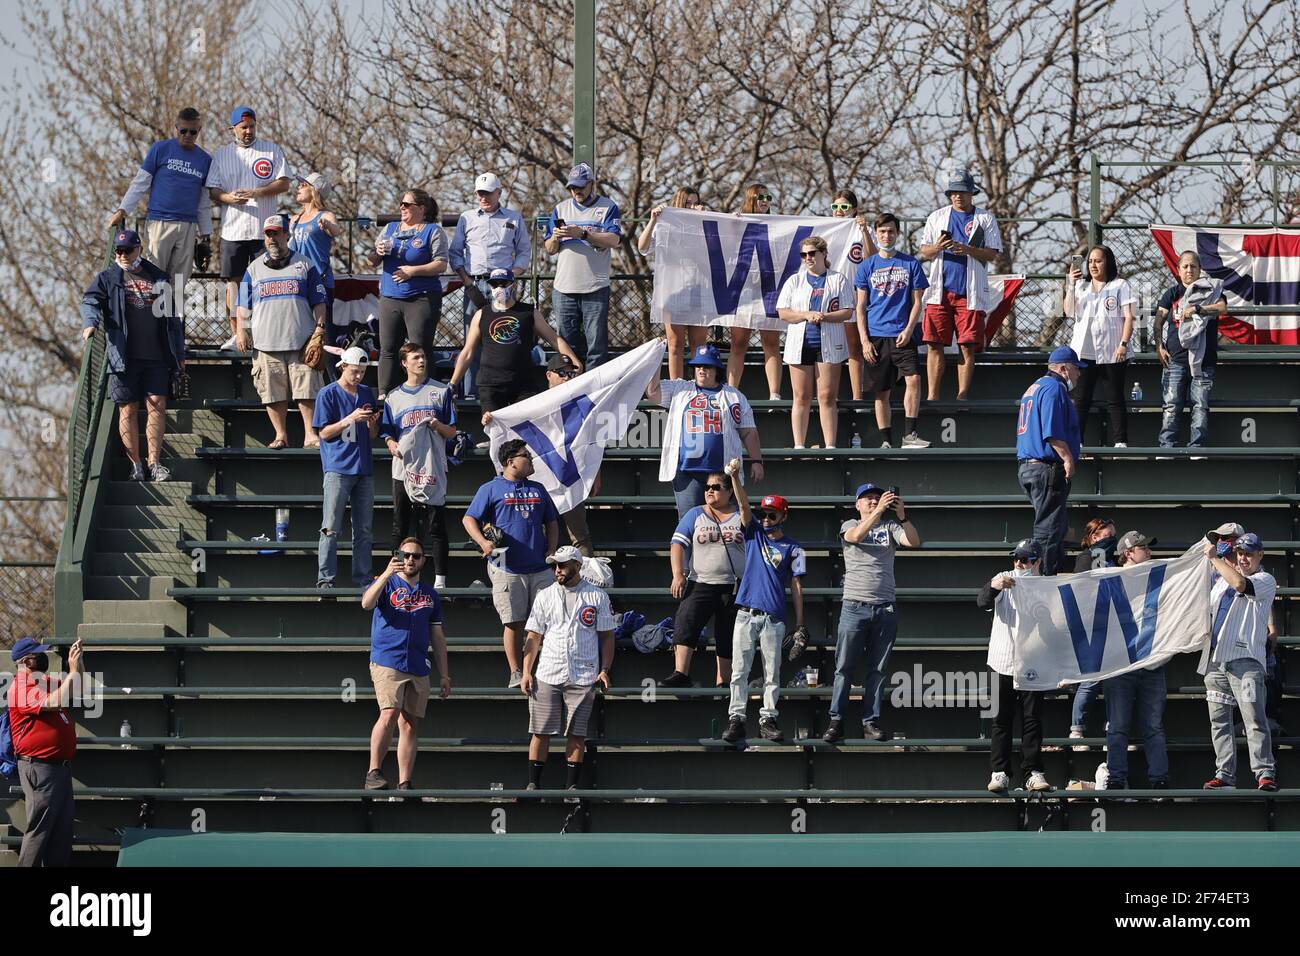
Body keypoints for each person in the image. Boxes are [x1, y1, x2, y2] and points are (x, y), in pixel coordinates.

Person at [80, 228, 185, 481]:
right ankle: (136, 465)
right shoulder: (108, 277)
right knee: (127, 410)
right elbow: (90, 300)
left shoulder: (158, 277)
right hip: (123, 357)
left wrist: (179, 353)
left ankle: (155, 463)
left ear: (139, 248)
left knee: (157, 406)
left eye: (128, 250)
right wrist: (90, 323)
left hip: (157, 356)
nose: (123, 255)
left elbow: (173, 319)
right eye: (119, 250)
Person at [824, 482, 921, 743]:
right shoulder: (849, 524)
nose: (872, 501)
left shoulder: (890, 527)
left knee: (877, 670)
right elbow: (854, 537)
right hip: (855, 605)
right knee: (843, 667)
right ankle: (836, 720)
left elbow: (913, 542)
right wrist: (878, 511)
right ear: (857, 504)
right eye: (866, 498)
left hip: (885, 607)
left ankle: (870, 722)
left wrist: (902, 516)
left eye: (876, 497)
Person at [720, 458, 806, 744]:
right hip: (745, 613)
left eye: (772, 514)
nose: (766, 519)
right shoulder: (754, 533)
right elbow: (743, 507)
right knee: (739, 671)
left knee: (772, 672)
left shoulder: (794, 547)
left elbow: (796, 585)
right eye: (764, 514)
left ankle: (768, 718)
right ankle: (737, 718)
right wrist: (734, 477)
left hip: (774, 616)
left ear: (783, 517)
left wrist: (800, 623)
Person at [464, 439, 561, 687]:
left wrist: (551, 548)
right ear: (510, 462)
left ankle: (541, 670)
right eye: (525, 455)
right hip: (505, 565)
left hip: (539, 566)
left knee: (545, 622)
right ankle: (516, 671)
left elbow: (551, 521)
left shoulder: (538, 488)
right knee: (514, 622)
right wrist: (484, 544)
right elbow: (469, 519)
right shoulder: (490, 488)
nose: (530, 459)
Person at [520, 546, 615, 791]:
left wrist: (605, 668)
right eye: (554, 566)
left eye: (562, 565)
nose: (557, 570)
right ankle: (533, 784)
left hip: (584, 672)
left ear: (577, 565)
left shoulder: (598, 596)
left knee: (577, 732)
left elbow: (606, 636)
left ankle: (571, 787)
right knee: (540, 730)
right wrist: (527, 671)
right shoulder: (545, 595)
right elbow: (533, 636)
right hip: (548, 670)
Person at [360, 539, 451, 791]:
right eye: (406, 554)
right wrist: (388, 572)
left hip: (418, 662)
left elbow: (438, 636)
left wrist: (445, 674)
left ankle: (404, 782)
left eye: (416, 556)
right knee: (389, 712)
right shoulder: (386, 582)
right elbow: (366, 603)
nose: (410, 559)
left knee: (410, 722)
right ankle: (373, 771)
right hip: (388, 658)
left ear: (423, 560)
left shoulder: (430, 594)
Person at [236, 214, 328, 449]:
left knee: (307, 389)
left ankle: (310, 435)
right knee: (272, 393)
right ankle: (280, 435)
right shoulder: (253, 269)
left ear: (287, 235)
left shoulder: (305, 264)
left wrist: (319, 329)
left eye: (276, 233)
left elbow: (318, 301)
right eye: (268, 234)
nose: (272, 238)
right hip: (266, 342)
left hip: (301, 340)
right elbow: (242, 305)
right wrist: (241, 331)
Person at [646, 343, 763, 519]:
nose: (701, 369)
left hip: (722, 472)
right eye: (698, 366)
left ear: (717, 369)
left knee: (726, 524)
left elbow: (748, 432)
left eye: (707, 366)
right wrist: (655, 358)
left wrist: (757, 461)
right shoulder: (680, 388)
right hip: (687, 472)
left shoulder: (734, 396)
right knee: (689, 523)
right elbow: (652, 392)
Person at [206, 105, 291, 344]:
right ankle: (237, 332)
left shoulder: (271, 150)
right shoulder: (222, 154)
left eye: (252, 126)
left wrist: (257, 192)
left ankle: (265, 331)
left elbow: (284, 183)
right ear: (233, 128)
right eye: (243, 127)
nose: (248, 131)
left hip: (265, 231)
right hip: (233, 230)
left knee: (265, 280)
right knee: (234, 282)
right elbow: (213, 189)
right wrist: (227, 198)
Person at [917, 168, 1003, 401]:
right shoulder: (937, 217)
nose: (958, 196)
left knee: (967, 345)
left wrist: (967, 250)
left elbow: (993, 254)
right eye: (954, 192)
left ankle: (962, 396)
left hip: (970, 292)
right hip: (939, 292)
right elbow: (924, 250)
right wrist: (939, 247)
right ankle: (932, 397)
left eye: (962, 192)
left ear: (971, 193)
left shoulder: (985, 218)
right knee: (934, 343)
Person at [1201, 532, 1278, 790]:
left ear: (1260, 555)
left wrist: (1215, 559)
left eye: (1249, 554)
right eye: (1241, 553)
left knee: (1253, 718)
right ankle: (1225, 775)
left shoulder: (1265, 579)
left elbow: (1240, 586)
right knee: (1219, 721)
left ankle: (1264, 772)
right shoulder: (1221, 581)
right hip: (1216, 660)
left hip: (1246, 661)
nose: (1244, 558)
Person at [449, 269, 582, 416]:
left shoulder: (529, 312)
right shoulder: (481, 314)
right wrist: (453, 384)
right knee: (496, 432)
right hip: (491, 384)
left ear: (513, 285)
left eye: (503, 283)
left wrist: (576, 363)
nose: (499, 287)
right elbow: (468, 352)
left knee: (527, 429)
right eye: (494, 284)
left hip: (522, 384)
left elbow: (554, 339)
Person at [109, 106, 212, 294]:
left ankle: (173, 320)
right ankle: (152, 320)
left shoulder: (205, 160)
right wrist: (122, 210)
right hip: (160, 221)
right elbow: (140, 183)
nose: (188, 135)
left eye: (193, 131)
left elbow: (204, 201)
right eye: (183, 131)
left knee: (179, 280)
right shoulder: (161, 149)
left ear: (199, 130)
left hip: (188, 225)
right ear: (176, 128)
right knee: (154, 275)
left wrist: (206, 235)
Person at [380, 343, 458, 589]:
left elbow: (452, 431)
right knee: (400, 521)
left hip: (433, 463)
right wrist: (391, 444)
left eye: (423, 356)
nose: (421, 361)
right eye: (415, 357)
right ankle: (398, 574)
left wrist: (436, 425)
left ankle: (440, 579)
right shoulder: (393, 397)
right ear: (404, 363)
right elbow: (388, 433)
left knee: (436, 522)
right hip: (404, 467)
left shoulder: (441, 391)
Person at [977, 540, 1052, 792]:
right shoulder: (1003, 578)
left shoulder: (1046, 586)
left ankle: (1032, 771)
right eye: (1017, 558)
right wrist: (993, 586)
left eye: (1026, 559)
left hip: (1034, 661)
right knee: (1001, 720)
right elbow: (982, 601)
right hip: (1002, 660)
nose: (1020, 563)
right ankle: (999, 771)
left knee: (1032, 720)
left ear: (1037, 562)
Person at [448, 172, 532, 398]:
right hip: (474, 282)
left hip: (503, 285)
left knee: (501, 337)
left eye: (487, 193)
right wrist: (466, 282)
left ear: (499, 193)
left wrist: (510, 276)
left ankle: (500, 391)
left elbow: (524, 251)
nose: (483, 198)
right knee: (472, 340)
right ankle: (469, 393)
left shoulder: (514, 218)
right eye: (479, 194)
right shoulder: (466, 218)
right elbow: (455, 252)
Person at [662, 470, 744, 689]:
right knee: (685, 623)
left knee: (726, 633)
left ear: (729, 492)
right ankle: (681, 673)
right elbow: (677, 543)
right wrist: (678, 574)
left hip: (732, 585)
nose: (709, 490)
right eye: (707, 487)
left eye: (716, 487)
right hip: (701, 582)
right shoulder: (695, 514)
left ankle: (723, 680)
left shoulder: (740, 514)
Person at [854, 214, 930, 449]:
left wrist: (908, 330)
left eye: (891, 231)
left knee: (914, 379)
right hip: (876, 336)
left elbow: (918, 302)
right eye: (882, 231)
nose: (886, 235)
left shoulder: (911, 263)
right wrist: (864, 340)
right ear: (876, 234)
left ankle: (910, 434)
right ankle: (886, 440)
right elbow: (860, 307)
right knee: (881, 392)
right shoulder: (867, 266)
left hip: (901, 334)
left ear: (897, 233)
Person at [365, 188, 449, 398]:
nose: (402, 208)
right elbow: (372, 260)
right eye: (401, 204)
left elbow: (441, 264)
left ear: (421, 208)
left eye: (407, 204)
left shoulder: (433, 231)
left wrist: (413, 271)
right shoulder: (390, 228)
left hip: (421, 297)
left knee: (420, 347)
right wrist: (378, 252)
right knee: (388, 348)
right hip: (391, 297)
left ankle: (426, 392)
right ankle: (386, 394)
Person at [1101, 530, 1169, 790]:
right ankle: (1117, 778)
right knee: (1118, 727)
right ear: (1128, 553)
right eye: (1143, 548)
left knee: (1152, 726)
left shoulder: (1159, 579)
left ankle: (1159, 780)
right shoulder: (1108, 579)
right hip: (1121, 666)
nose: (1149, 552)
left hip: (1151, 663)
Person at [8, 637, 83, 867]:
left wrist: (78, 664)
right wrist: (71, 669)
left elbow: (75, 687)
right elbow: (57, 699)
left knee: (61, 832)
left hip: (59, 768)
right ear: (26, 661)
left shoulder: (42, 681)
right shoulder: (21, 686)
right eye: (38, 654)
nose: (43, 657)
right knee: (39, 831)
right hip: (39, 767)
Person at [542, 163, 622, 371]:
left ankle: (595, 387)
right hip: (564, 288)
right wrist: (556, 238)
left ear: (591, 184)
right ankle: (571, 385)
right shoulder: (561, 208)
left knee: (596, 345)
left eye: (580, 186)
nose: (576, 191)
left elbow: (614, 239)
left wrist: (584, 234)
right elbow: (549, 248)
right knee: (568, 346)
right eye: (572, 187)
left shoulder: (607, 207)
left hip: (595, 287)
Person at [776, 234, 853, 448]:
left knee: (827, 396)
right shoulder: (795, 280)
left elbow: (847, 311)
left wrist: (824, 316)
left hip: (829, 343)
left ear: (824, 254)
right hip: (800, 345)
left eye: (812, 253)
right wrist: (806, 315)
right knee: (801, 396)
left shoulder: (838, 279)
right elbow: (783, 312)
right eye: (804, 255)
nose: (808, 258)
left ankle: (830, 446)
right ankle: (799, 445)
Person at [313, 347, 378, 591]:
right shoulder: (327, 394)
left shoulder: (366, 394)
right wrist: (349, 419)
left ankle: (363, 577)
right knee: (330, 527)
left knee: (364, 529)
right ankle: (325, 579)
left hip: (363, 468)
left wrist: (372, 424)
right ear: (343, 367)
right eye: (354, 371)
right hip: (338, 468)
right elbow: (324, 433)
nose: (359, 376)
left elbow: (371, 434)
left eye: (362, 372)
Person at [1015, 346, 1084, 575]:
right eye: (1076, 369)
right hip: (1046, 467)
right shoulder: (1054, 388)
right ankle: (1042, 579)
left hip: (1029, 465)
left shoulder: (1035, 387)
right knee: (1048, 532)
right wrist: (1068, 458)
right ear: (1064, 368)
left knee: (1056, 527)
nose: (1079, 374)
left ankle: (1049, 572)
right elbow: (1051, 431)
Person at [1154, 250, 1227, 452]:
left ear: (1199, 269)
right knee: (1171, 406)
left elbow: (1222, 307)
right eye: (1185, 266)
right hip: (1175, 361)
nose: (1189, 270)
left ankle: (1197, 449)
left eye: (1193, 266)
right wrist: (1159, 345)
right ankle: (1166, 448)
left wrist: (1198, 310)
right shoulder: (1172, 293)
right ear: (1178, 270)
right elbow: (1159, 319)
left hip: (1203, 361)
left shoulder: (1210, 290)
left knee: (1200, 406)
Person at [1064, 244, 1136, 447]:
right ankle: (1077, 441)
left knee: (1115, 398)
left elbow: (1129, 317)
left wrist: (1123, 343)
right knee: (1081, 399)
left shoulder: (1121, 285)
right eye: (1090, 261)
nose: (1093, 265)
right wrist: (1070, 284)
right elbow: (1069, 312)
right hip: (1084, 352)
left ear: (1108, 262)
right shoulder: (1081, 286)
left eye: (1098, 260)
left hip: (1113, 351)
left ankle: (1120, 441)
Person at [638, 186, 709, 380]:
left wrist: (704, 218)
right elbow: (643, 247)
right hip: (673, 290)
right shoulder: (667, 223)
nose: (693, 207)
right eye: (688, 203)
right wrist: (653, 220)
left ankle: (699, 386)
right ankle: (677, 385)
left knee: (699, 345)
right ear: (679, 203)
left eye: (696, 202)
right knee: (675, 343)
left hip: (698, 290)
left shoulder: (703, 222)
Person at [726, 184, 784, 397]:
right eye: (760, 197)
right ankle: (731, 393)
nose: (765, 201)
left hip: (768, 289)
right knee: (738, 343)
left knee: (771, 342)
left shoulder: (777, 224)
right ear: (750, 198)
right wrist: (731, 223)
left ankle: (775, 393)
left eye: (768, 197)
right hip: (742, 290)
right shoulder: (737, 221)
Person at [1067, 517, 1118, 749]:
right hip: (1093, 627)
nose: (1112, 540)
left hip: (1114, 626)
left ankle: (1113, 732)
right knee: (1091, 679)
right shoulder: (1087, 557)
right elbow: (1084, 587)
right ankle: (1076, 730)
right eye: (1108, 536)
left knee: (1115, 681)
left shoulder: (1114, 559)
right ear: (1094, 537)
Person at [543, 353, 597, 557]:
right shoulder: (532, 403)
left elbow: (592, 438)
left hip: (571, 475)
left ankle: (587, 578)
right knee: (539, 533)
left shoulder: (579, 403)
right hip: (543, 475)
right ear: (549, 375)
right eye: (563, 373)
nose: (568, 378)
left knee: (580, 534)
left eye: (571, 374)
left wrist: (596, 470)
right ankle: (540, 579)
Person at [828, 189, 875, 403]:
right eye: (835, 207)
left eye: (844, 207)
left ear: (854, 209)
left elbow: (873, 257)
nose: (839, 211)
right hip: (830, 295)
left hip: (855, 294)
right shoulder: (826, 229)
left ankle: (857, 397)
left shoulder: (861, 229)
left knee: (854, 346)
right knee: (831, 348)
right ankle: (830, 397)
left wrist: (865, 231)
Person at [289, 172, 342, 327]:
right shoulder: (295, 219)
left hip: (319, 280)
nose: (298, 187)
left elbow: (336, 230)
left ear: (314, 191)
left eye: (303, 185)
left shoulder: (325, 215)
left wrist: (328, 225)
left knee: (321, 331)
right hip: (297, 280)